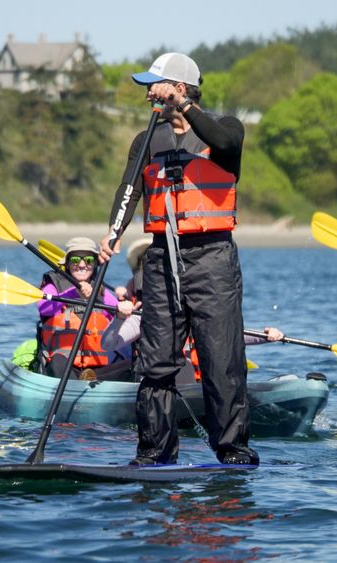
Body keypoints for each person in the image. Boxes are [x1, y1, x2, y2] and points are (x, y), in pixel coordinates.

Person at [98, 52, 257, 466]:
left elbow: (224, 145)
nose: (148, 91)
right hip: (161, 261)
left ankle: (232, 451)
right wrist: (112, 235)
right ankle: (154, 454)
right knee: (156, 364)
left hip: (212, 259)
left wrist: (184, 107)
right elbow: (129, 191)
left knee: (221, 360)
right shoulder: (147, 138)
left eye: (156, 84)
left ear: (179, 89)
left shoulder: (225, 128)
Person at [103, 238, 285, 384]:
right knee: (183, 369)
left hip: (200, 382)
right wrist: (119, 317)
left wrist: (264, 336)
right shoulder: (143, 313)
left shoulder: (196, 304)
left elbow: (225, 334)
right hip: (164, 383)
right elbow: (108, 344)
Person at [36, 236, 121, 380]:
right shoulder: (54, 285)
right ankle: (75, 389)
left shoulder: (100, 291)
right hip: (63, 368)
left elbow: (120, 317)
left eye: (88, 260)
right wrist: (74, 292)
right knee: (58, 361)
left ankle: (91, 384)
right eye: (75, 260)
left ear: (94, 264)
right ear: (67, 264)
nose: (82, 265)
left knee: (132, 364)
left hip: (96, 371)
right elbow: (43, 308)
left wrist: (125, 306)